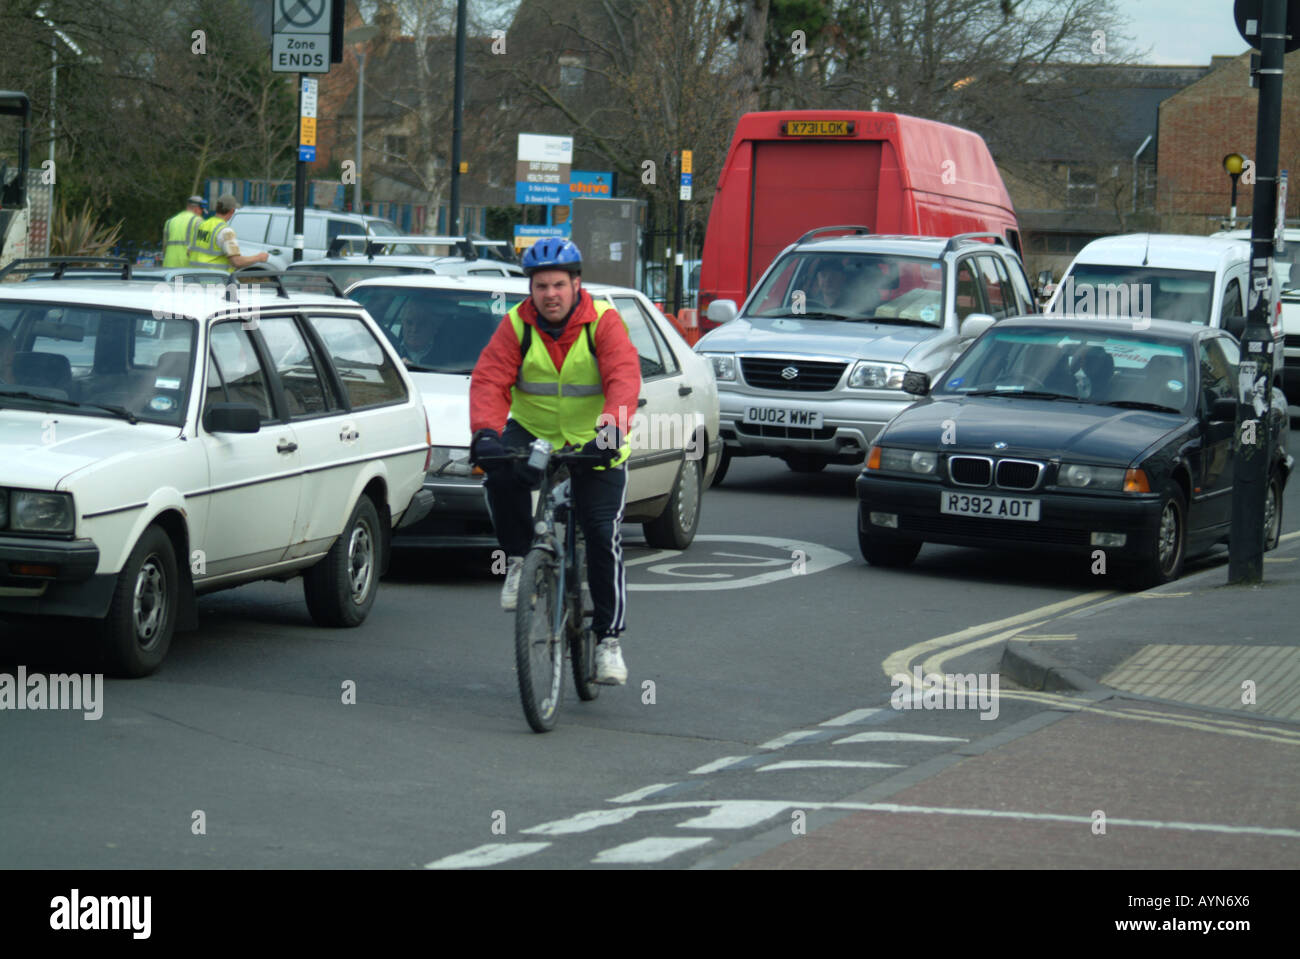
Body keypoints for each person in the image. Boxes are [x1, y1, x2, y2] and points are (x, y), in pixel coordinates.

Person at [468, 238, 641, 685]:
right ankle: (520, 561)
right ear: (532, 288)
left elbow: (624, 377)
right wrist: (485, 432)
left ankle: (608, 643)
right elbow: (490, 380)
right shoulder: (516, 325)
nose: (550, 294)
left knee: (602, 533)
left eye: (559, 285)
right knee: (498, 474)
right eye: (541, 285)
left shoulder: (603, 321)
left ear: (576, 284)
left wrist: (609, 433)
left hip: (595, 439)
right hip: (534, 431)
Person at [188, 194, 269, 272]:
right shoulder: (225, 231)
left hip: (195, 278)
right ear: (232, 211)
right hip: (214, 280)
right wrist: (259, 258)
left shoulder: (201, 225)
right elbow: (237, 262)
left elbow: (189, 252)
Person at [161, 195, 206, 268]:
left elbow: (164, 247)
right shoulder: (198, 221)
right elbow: (202, 246)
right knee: (179, 280)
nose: (201, 214)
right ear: (197, 209)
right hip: (185, 267)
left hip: (168, 265)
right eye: (202, 211)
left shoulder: (170, 221)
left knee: (174, 280)